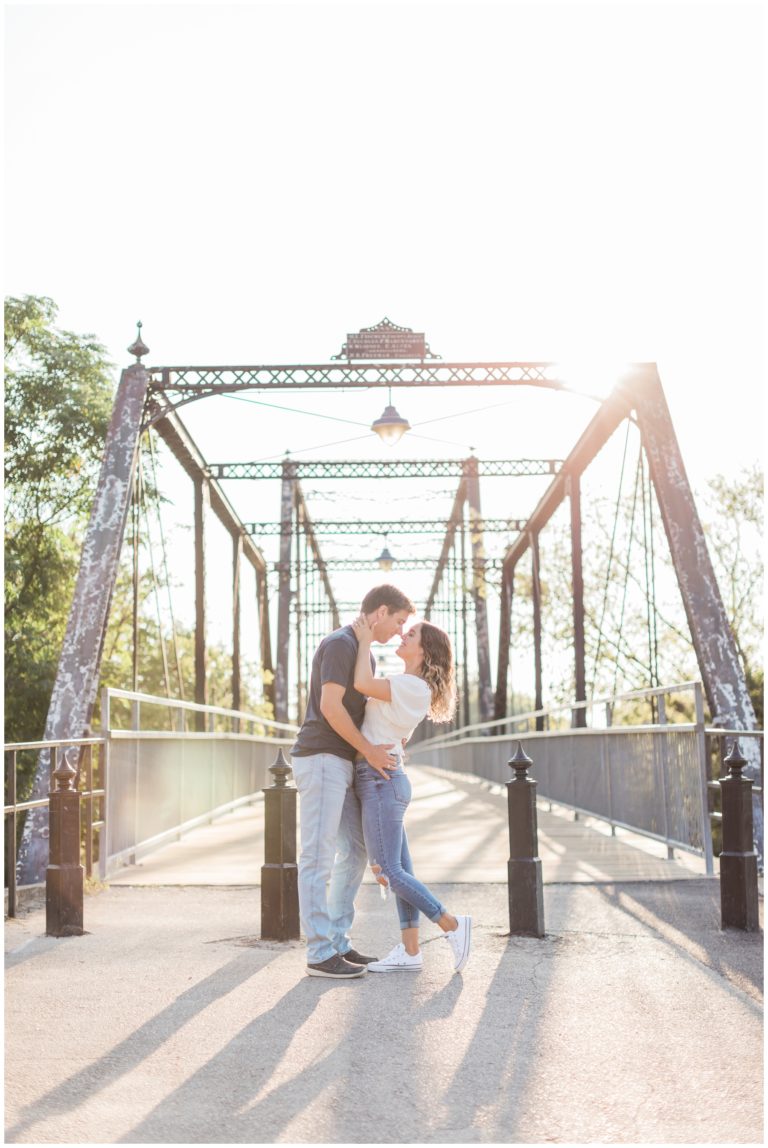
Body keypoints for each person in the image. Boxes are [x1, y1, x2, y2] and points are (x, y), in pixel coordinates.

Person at [290, 585, 416, 979]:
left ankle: (338, 942)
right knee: (317, 856)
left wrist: (390, 739)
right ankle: (319, 953)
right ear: (380, 612)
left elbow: (360, 711)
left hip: (341, 762)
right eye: (398, 621)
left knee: (357, 850)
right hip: (322, 758)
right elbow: (329, 708)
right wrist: (369, 749)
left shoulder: (362, 654)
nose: (399, 632)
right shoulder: (341, 644)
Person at [351, 614, 472, 974]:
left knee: (389, 870)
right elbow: (397, 733)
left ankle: (451, 924)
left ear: (425, 650)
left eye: (412, 633)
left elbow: (360, 683)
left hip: (380, 781)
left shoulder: (412, 687)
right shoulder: (410, 687)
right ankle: (411, 951)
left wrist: (363, 640)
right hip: (382, 777)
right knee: (399, 869)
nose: (404, 635)